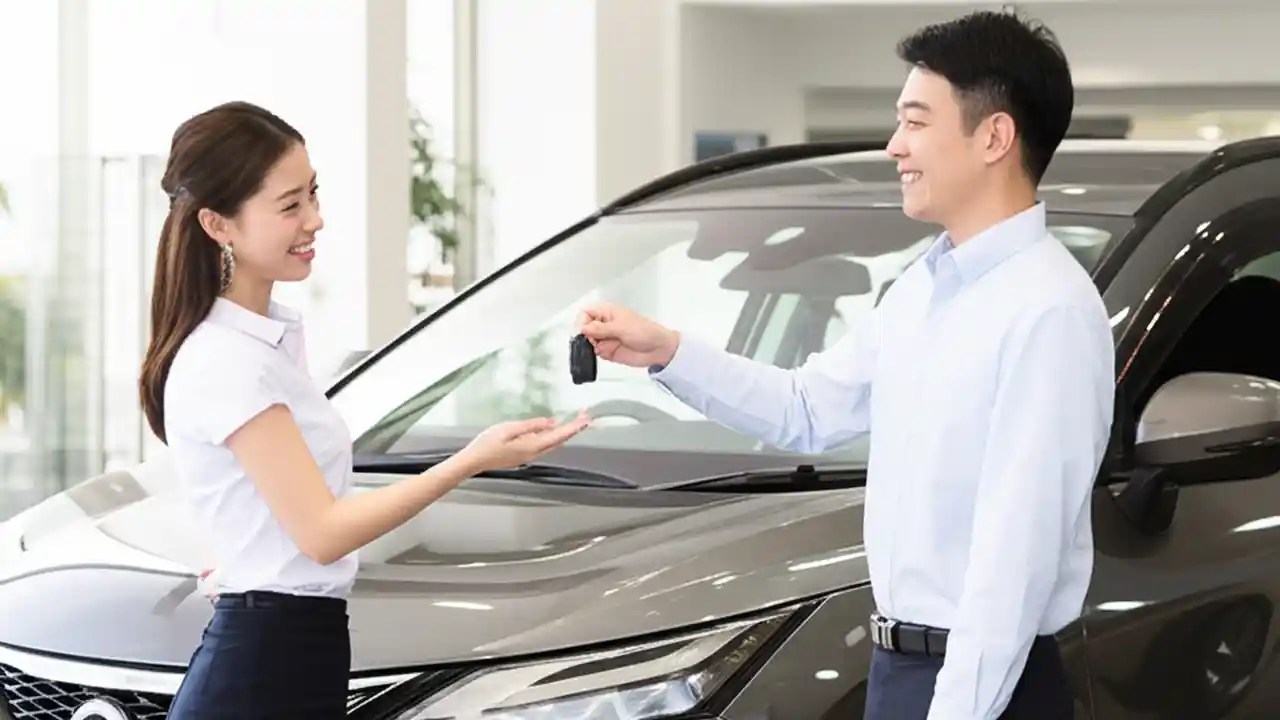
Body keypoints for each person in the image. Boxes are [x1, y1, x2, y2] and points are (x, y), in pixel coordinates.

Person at [578, 10, 1112, 720]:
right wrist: (670, 352)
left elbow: (1014, 565)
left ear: (994, 136)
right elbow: (807, 409)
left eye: (916, 122)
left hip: (982, 687)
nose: (896, 147)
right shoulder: (926, 285)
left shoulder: (1050, 310)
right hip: (902, 671)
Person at [139, 101, 589, 719]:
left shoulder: (257, 345)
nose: (315, 221)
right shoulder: (229, 359)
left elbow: (268, 512)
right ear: (219, 225)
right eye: (290, 205)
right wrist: (471, 460)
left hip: (286, 655)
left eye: (314, 195)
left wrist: (252, 555)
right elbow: (323, 534)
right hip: (263, 673)